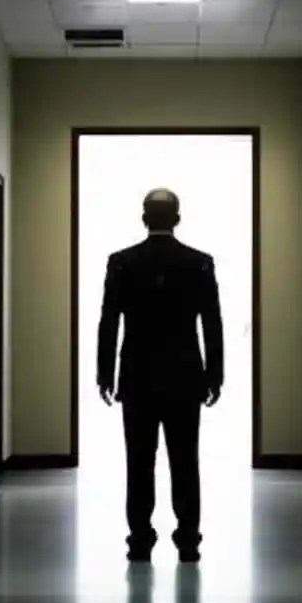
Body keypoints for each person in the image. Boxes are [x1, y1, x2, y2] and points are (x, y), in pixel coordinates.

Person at [97, 188, 224, 563]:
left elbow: (109, 321)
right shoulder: (199, 263)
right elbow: (211, 323)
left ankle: (139, 539)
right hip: (184, 377)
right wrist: (214, 374)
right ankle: (188, 540)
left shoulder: (122, 263)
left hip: (137, 377)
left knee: (139, 461)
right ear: (177, 219)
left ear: (144, 219)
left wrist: (105, 374)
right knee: (185, 460)